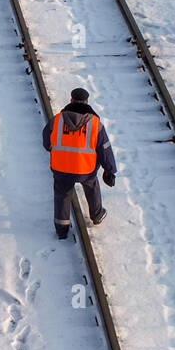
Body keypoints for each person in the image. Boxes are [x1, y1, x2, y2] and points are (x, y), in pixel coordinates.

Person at [41, 86, 116, 240]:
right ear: (87, 101)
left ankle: (62, 229)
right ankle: (96, 215)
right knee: (91, 186)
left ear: (71, 100)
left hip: (61, 168)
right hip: (85, 170)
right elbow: (105, 149)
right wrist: (110, 170)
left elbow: (46, 141)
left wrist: (56, 151)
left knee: (62, 194)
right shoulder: (95, 124)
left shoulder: (57, 120)